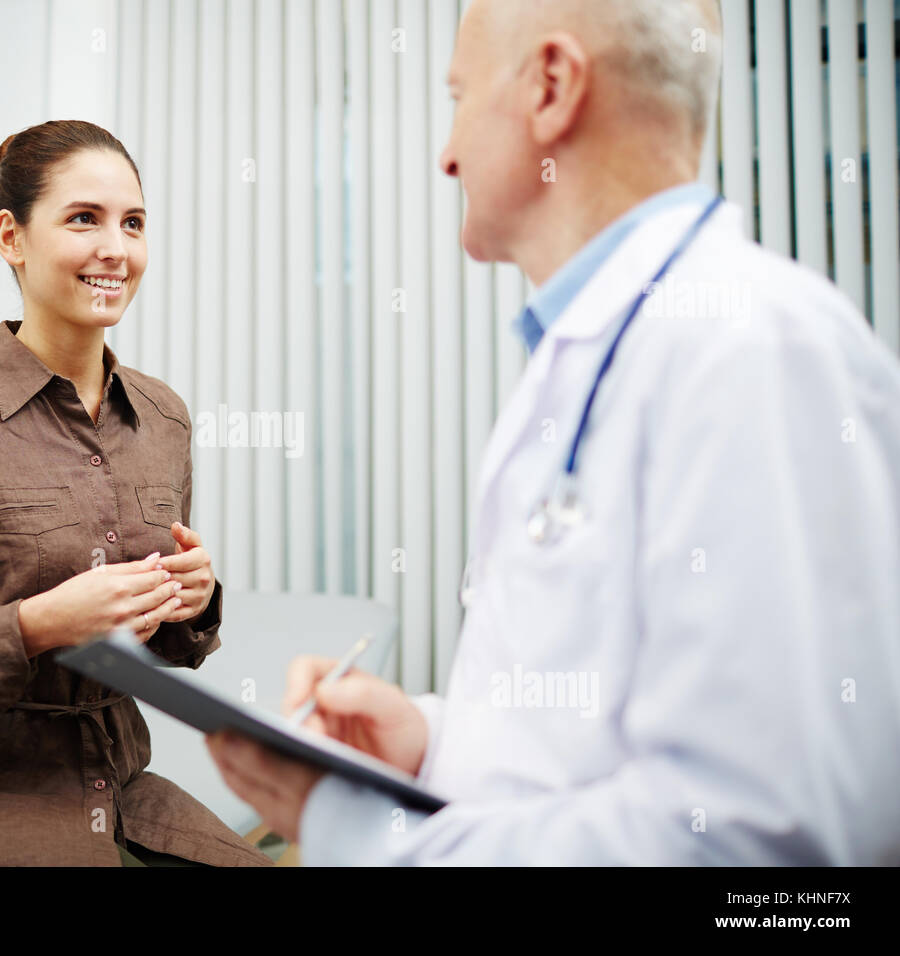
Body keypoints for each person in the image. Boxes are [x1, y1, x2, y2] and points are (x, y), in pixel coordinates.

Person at [207, 0, 900, 865]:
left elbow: (754, 838)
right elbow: (592, 737)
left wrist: (359, 834)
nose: (446, 151)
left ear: (551, 86)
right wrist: (427, 741)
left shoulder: (752, 345)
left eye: (458, 96)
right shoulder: (589, 354)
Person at [0, 120, 271, 866]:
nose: (117, 249)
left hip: (122, 783)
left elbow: (164, 644)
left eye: (133, 223)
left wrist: (191, 601)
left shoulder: (162, 417)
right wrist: (35, 625)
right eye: (83, 219)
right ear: (12, 237)